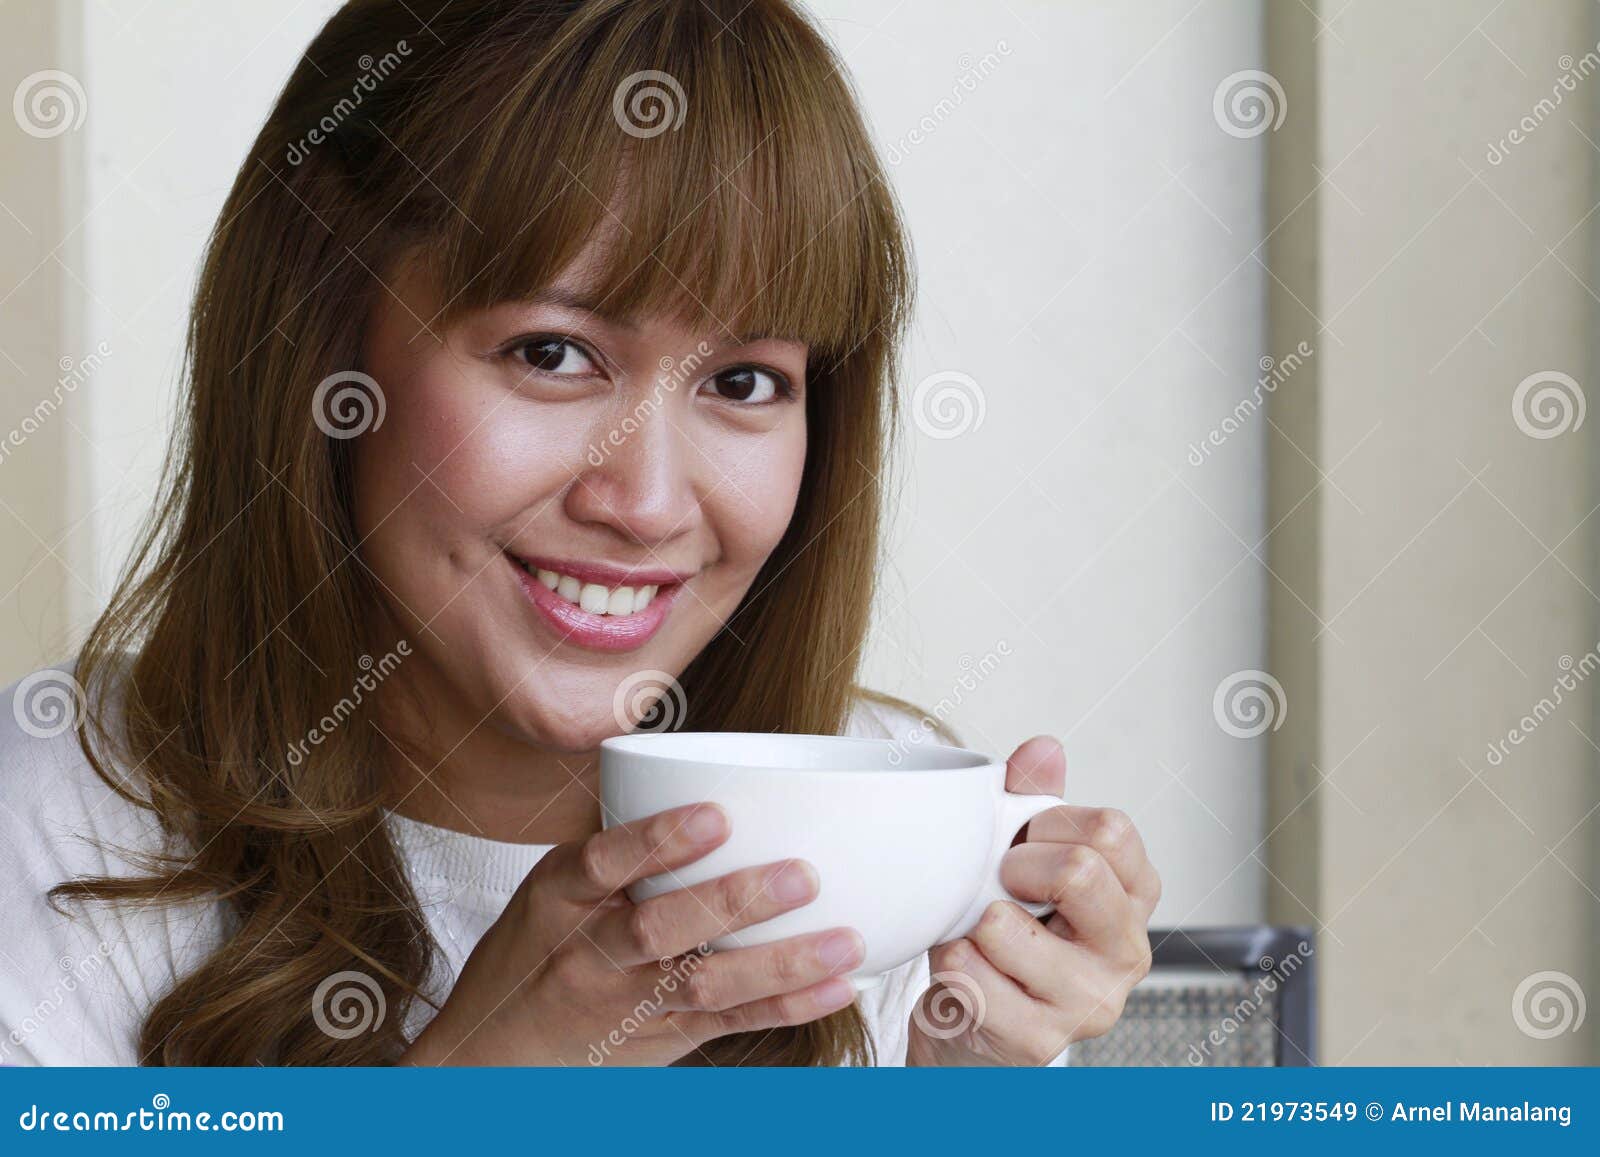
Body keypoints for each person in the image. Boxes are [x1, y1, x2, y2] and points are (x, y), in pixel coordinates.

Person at [0, 0, 1157, 1067]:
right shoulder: (58, 819)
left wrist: (970, 1096)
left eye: (746, 381)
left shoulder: (898, 831)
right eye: (552, 354)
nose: (647, 501)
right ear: (325, 357)